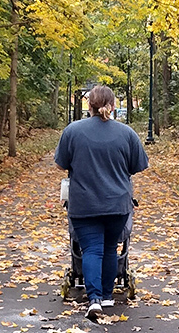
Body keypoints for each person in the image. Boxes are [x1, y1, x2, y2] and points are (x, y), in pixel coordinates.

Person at [55, 84, 149, 319]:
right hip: (117, 204)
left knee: (91, 249)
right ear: (113, 105)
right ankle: (107, 296)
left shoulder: (73, 131)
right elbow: (138, 166)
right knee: (109, 248)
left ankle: (94, 298)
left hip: (84, 203)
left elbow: (60, 164)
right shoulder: (127, 134)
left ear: (90, 106)